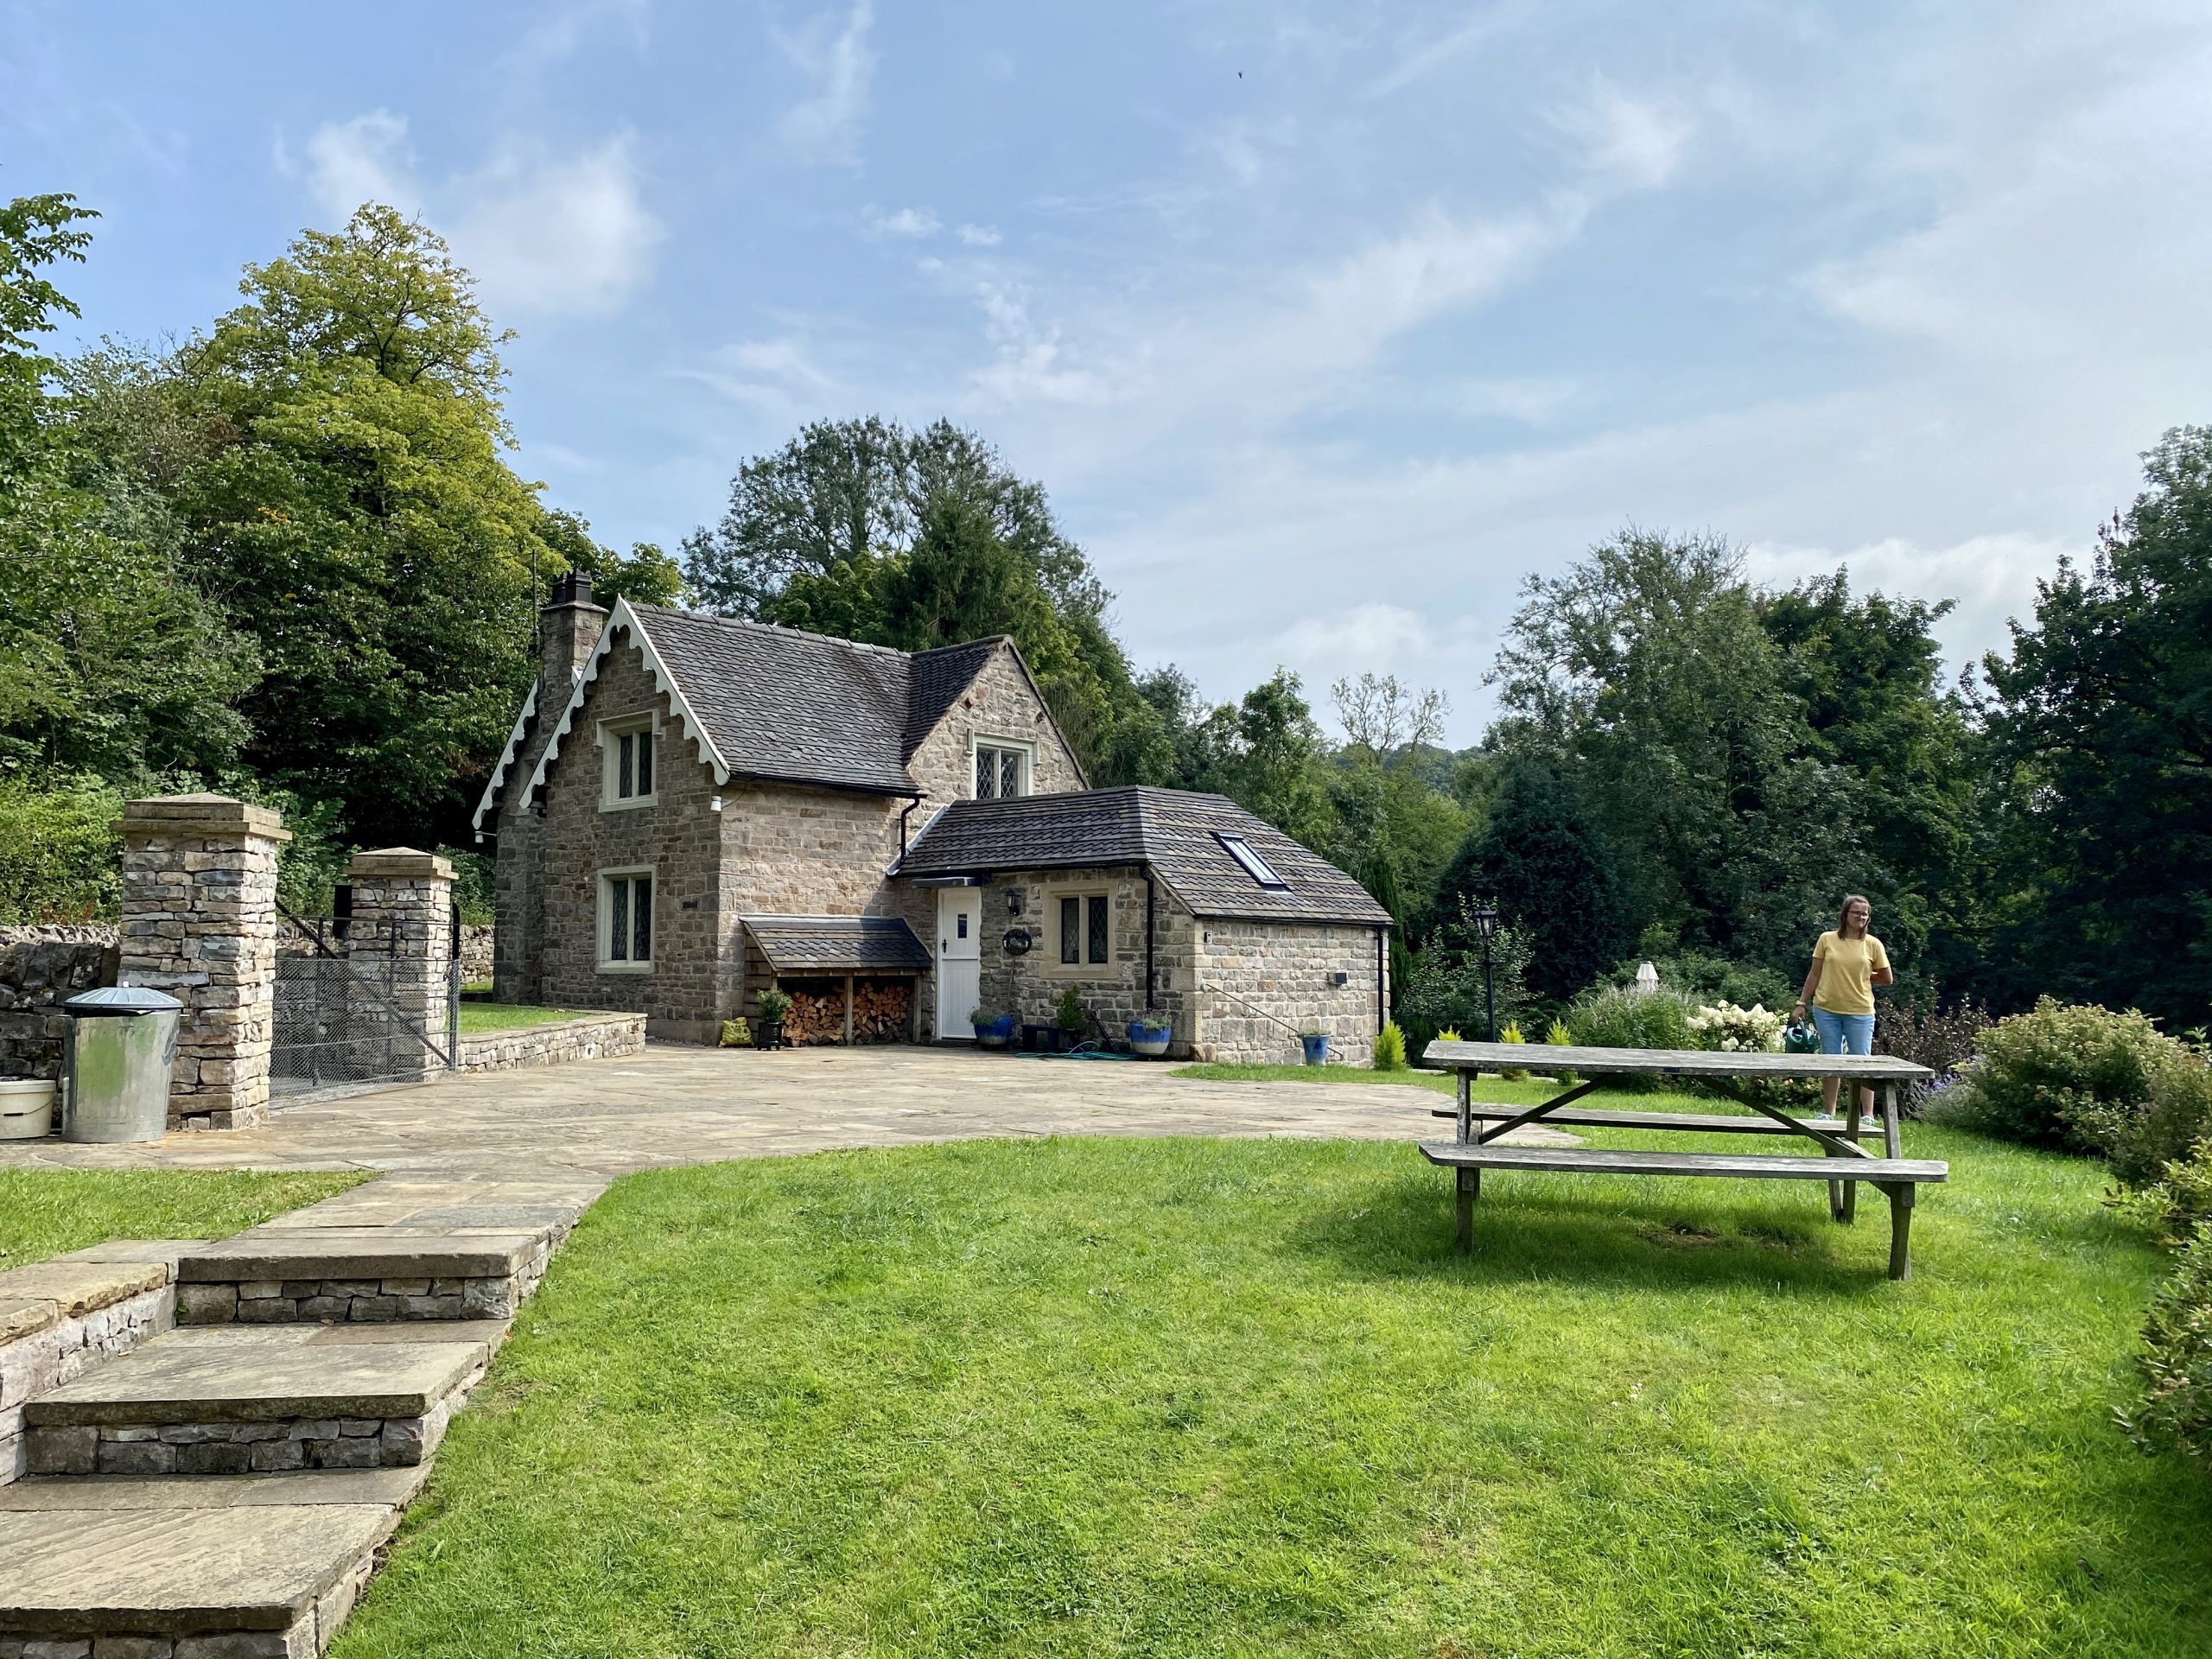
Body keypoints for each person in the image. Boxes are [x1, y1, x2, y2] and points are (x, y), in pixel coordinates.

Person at [1792, 894, 1893, 1121]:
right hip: (1826, 1009)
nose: (1861, 916)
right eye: (1856, 912)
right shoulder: (1827, 939)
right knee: (1831, 1060)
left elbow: (1887, 979)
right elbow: (1815, 973)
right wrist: (1801, 1003)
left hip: (1860, 1011)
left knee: (1862, 1061)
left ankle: (1867, 1115)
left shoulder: (1873, 944)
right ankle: (1829, 1112)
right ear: (1845, 915)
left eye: (1865, 913)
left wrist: (1865, 974)